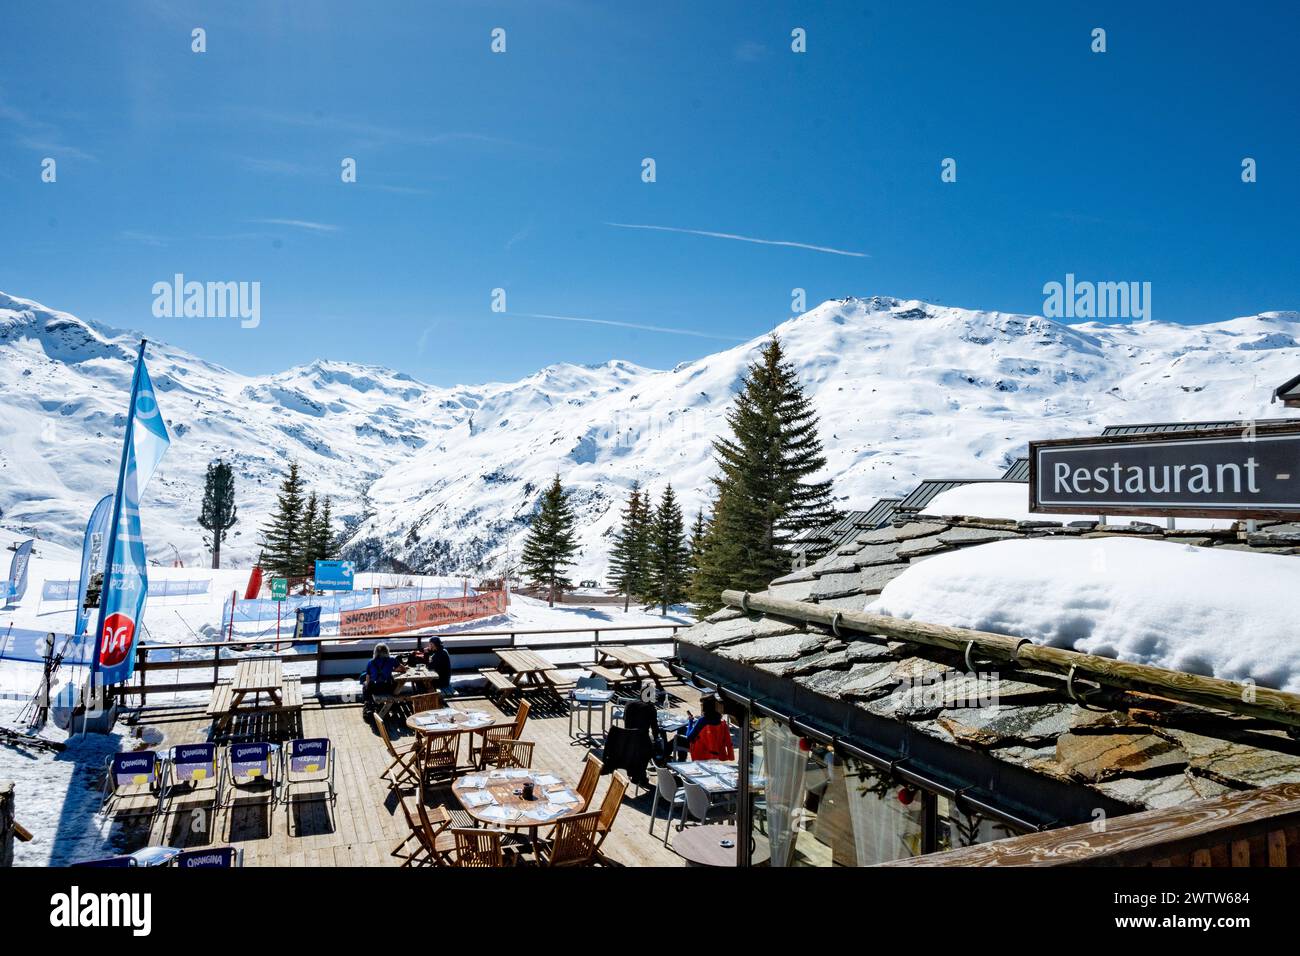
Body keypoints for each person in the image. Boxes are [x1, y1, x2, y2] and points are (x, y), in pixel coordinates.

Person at [619, 680, 668, 784]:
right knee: (657, 747)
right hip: (642, 741)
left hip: (627, 739)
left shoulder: (629, 704)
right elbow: (655, 729)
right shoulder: (650, 708)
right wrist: (657, 739)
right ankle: (655, 769)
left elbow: (625, 719)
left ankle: (634, 773)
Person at [684, 694, 734, 762]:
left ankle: (670, 758)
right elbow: (728, 741)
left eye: (701, 705)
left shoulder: (702, 721)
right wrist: (731, 756)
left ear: (705, 707)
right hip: (716, 753)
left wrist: (690, 722)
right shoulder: (721, 722)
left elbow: (689, 737)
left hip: (700, 754)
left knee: (679, 734)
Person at [360, 643, 403, 716]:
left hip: (375, 688)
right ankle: (394, 706)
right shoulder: (391, 660)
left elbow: (368, 677)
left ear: (375, 652)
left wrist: (367, 685)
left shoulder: (371, 662)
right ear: (387, 651)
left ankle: (368, 705)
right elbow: (403, 669)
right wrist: (391, 669)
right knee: (395, 683)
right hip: (388, 688)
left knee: (365, 685)